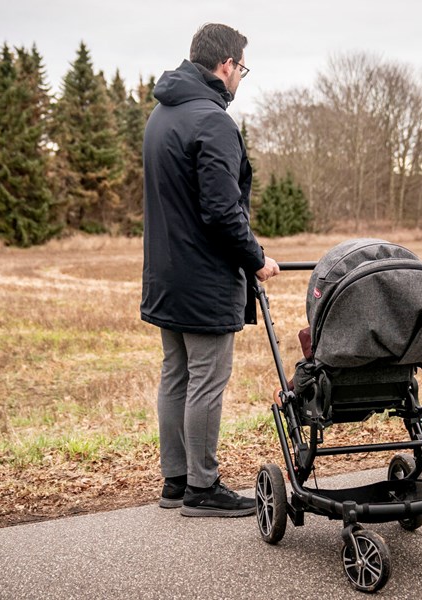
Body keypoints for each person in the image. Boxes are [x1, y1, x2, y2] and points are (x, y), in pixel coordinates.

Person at [140, 23, 279, 518]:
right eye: (241, 67)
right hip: (203, 278)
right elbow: (222, 213)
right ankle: (203, 487)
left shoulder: (162, 113)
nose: (241, 77)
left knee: (175, 375)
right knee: (204, 380)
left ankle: (175, 481)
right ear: (225, 66)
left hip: (166, 275)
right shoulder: (213, 122)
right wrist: (257, 258)